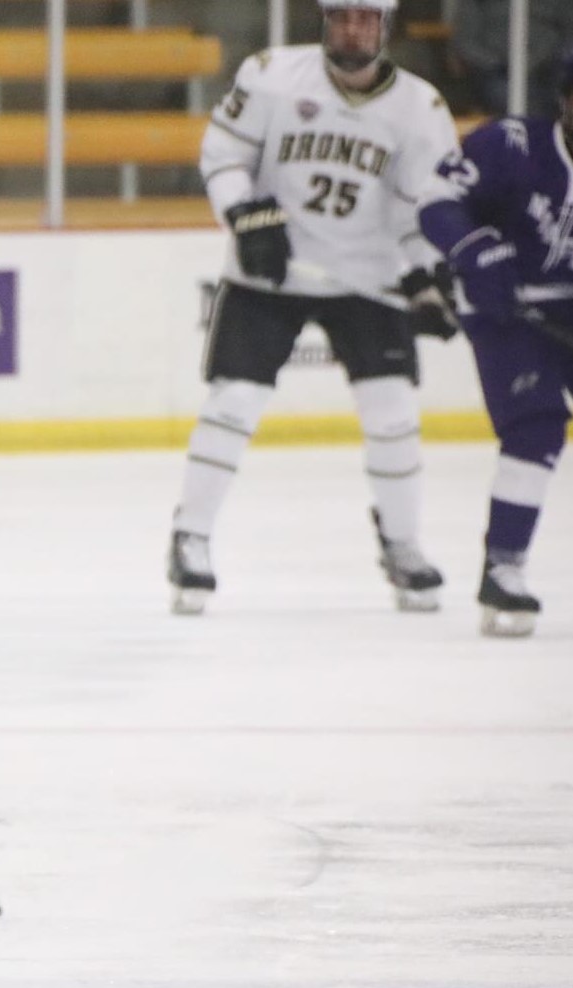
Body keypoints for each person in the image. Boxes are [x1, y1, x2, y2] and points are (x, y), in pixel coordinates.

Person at [167, 0, 460, 616]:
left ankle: (403, 546)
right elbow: (222, 156)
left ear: (386, 27)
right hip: (271, 272)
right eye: (341, 18)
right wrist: (246, 218)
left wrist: (425, 281)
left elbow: (418, 213)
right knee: (234, 401)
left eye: (365, 20)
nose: (352, 30)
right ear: (324, 21)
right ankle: (190, 538)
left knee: (394, 413)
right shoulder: (271, 75)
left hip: (368, 278)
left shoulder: (421, 109)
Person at [416, 56, 573, 638]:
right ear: (563, 101)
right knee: (535, 426)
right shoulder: (511, 146)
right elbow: (436, 199)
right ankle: (503, 566)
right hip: (504, 307)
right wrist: (474, 247)